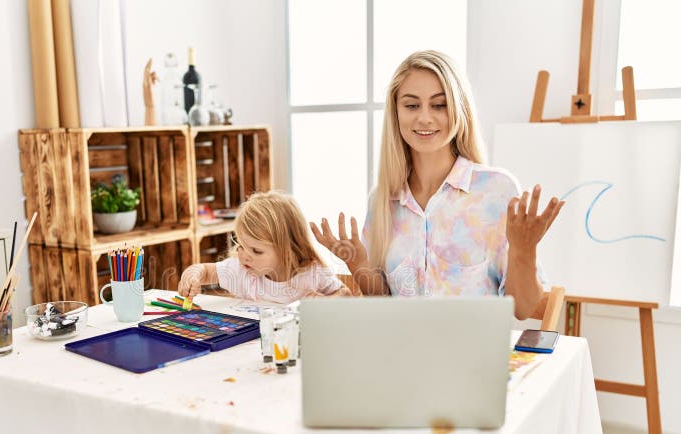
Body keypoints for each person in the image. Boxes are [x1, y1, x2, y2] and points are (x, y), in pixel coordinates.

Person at [310, 50, 563, 319]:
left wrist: (524, 251)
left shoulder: (495, 191)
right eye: (411, 106)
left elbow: (523, 310)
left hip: (473, 346)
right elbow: (383, 303)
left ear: (458, 109)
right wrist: (358, 262)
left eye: (439, 105)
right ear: (396, 113)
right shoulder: (383, 200)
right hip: (402, 344)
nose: (424, 118)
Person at [179, 191, 352, 304]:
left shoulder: (313, 274)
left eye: (257, 251)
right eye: (241, 246)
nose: (244, 256)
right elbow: (204, 271)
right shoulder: (241, 270)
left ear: (288, 250)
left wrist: (326, 303)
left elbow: (346, 295)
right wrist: (191, 277)